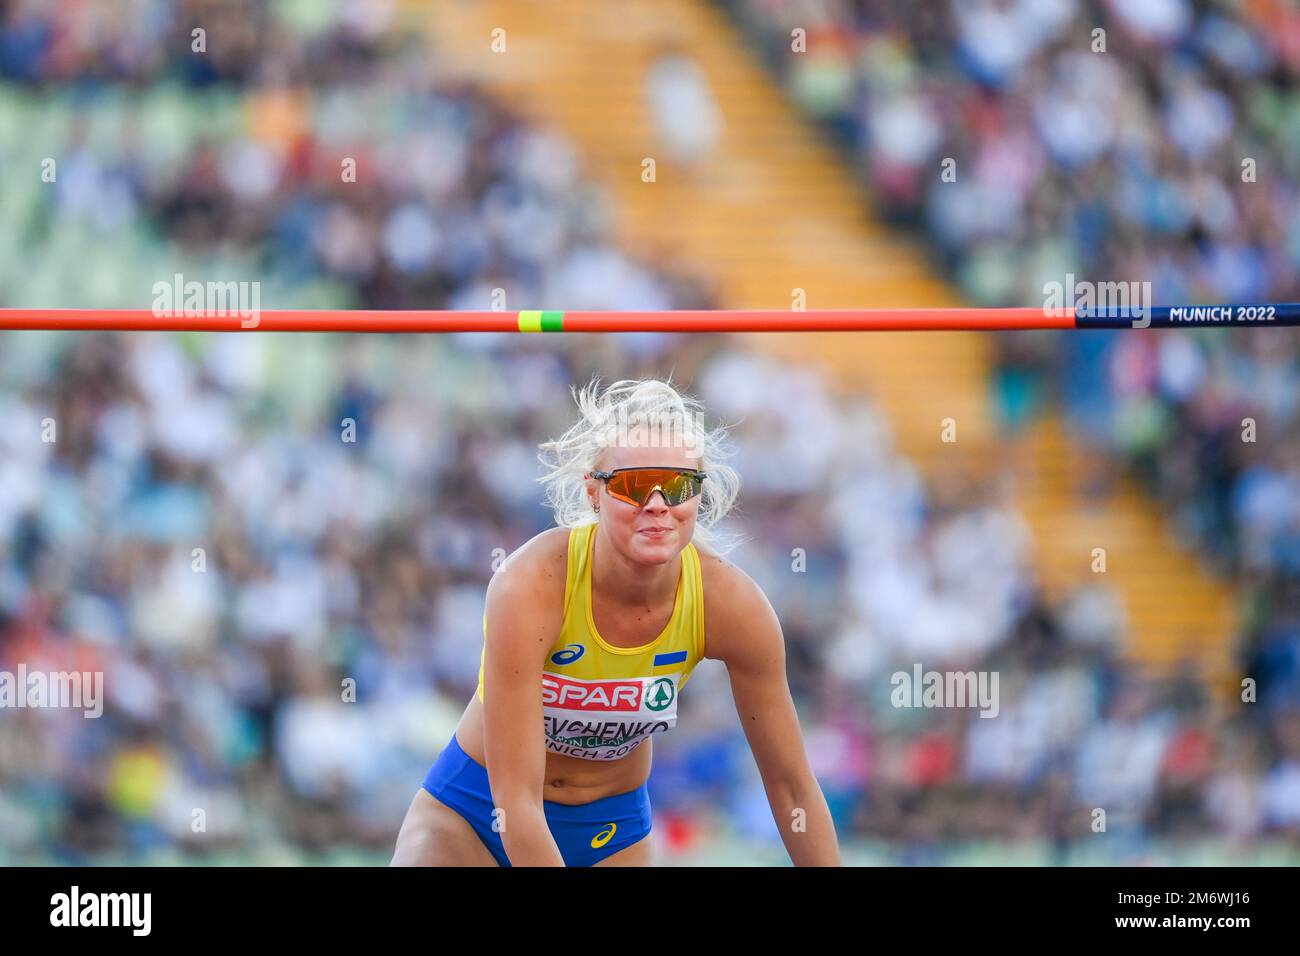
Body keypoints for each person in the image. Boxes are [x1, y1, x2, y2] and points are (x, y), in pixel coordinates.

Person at [391, 378, 840, 866]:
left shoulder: (733, 606)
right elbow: (517, 803)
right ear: (593, 493)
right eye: (631, 485)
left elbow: (792, 791)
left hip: (610, 833)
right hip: (477, 816)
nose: (657, 504)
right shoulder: (531, 584)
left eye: (677, 486)